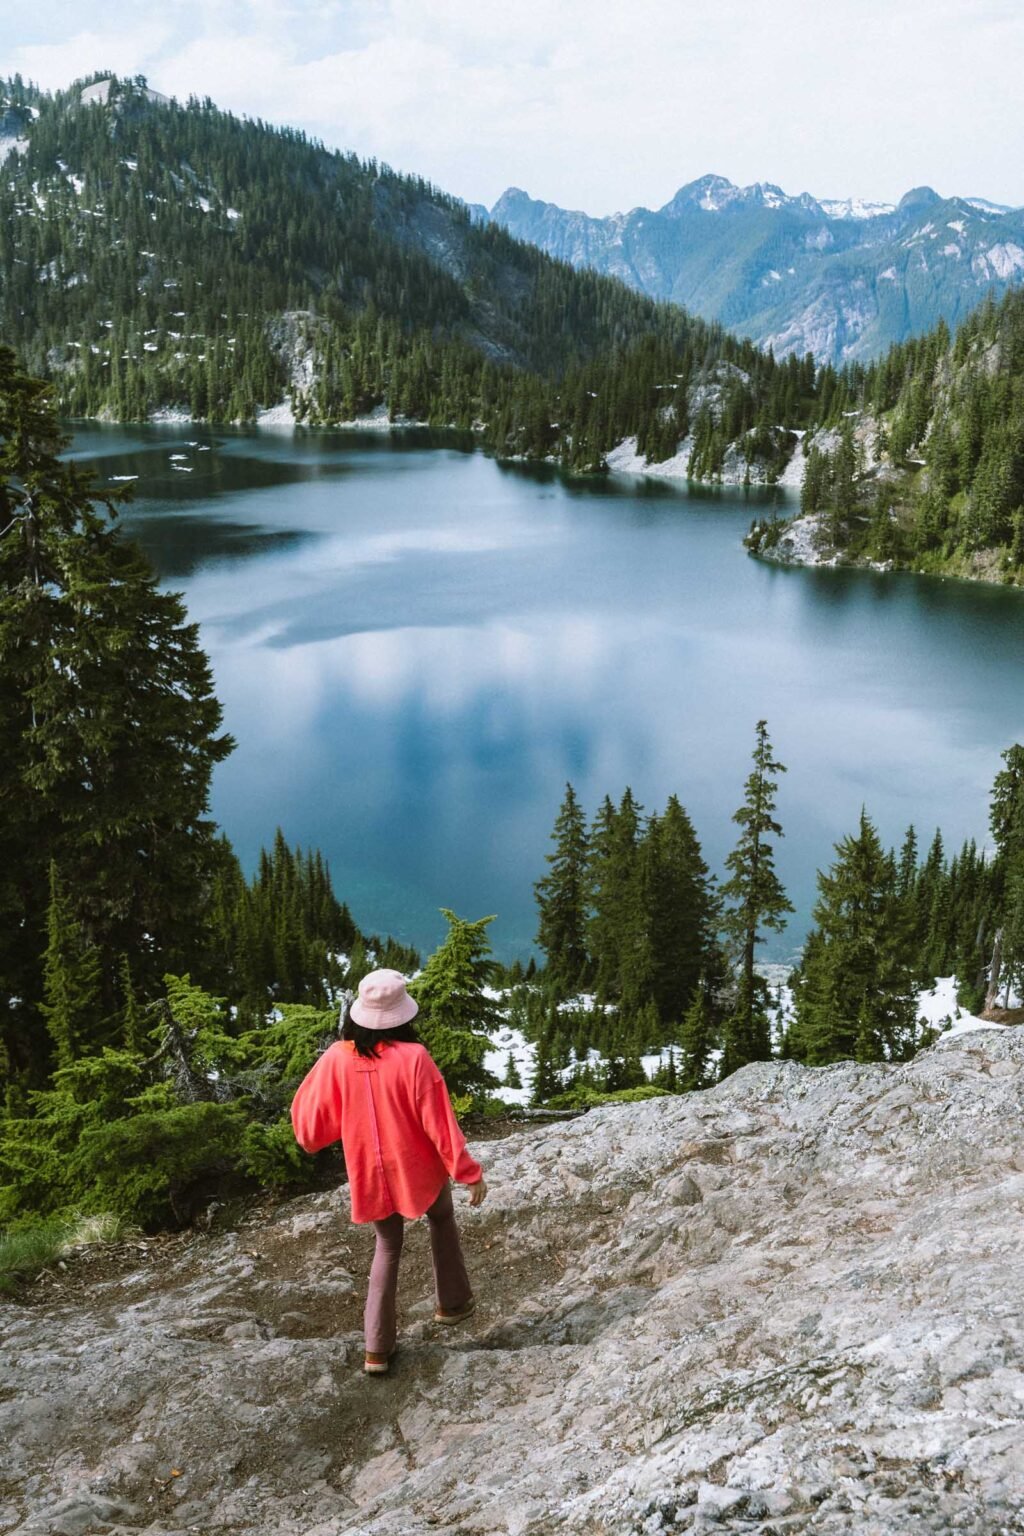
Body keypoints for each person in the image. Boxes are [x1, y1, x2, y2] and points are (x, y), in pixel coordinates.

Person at [291, 968, 487, 1375]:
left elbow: (309, 1120)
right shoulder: (415, 1058)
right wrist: (467, 1172)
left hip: (369, 1172)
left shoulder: (336, 1057)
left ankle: (376, 1348)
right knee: (441, 1216)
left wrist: (314, 1139)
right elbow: (440, 1124)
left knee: (388, 1246)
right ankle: (452, 1303)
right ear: (404, 1017)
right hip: (417, 1170)